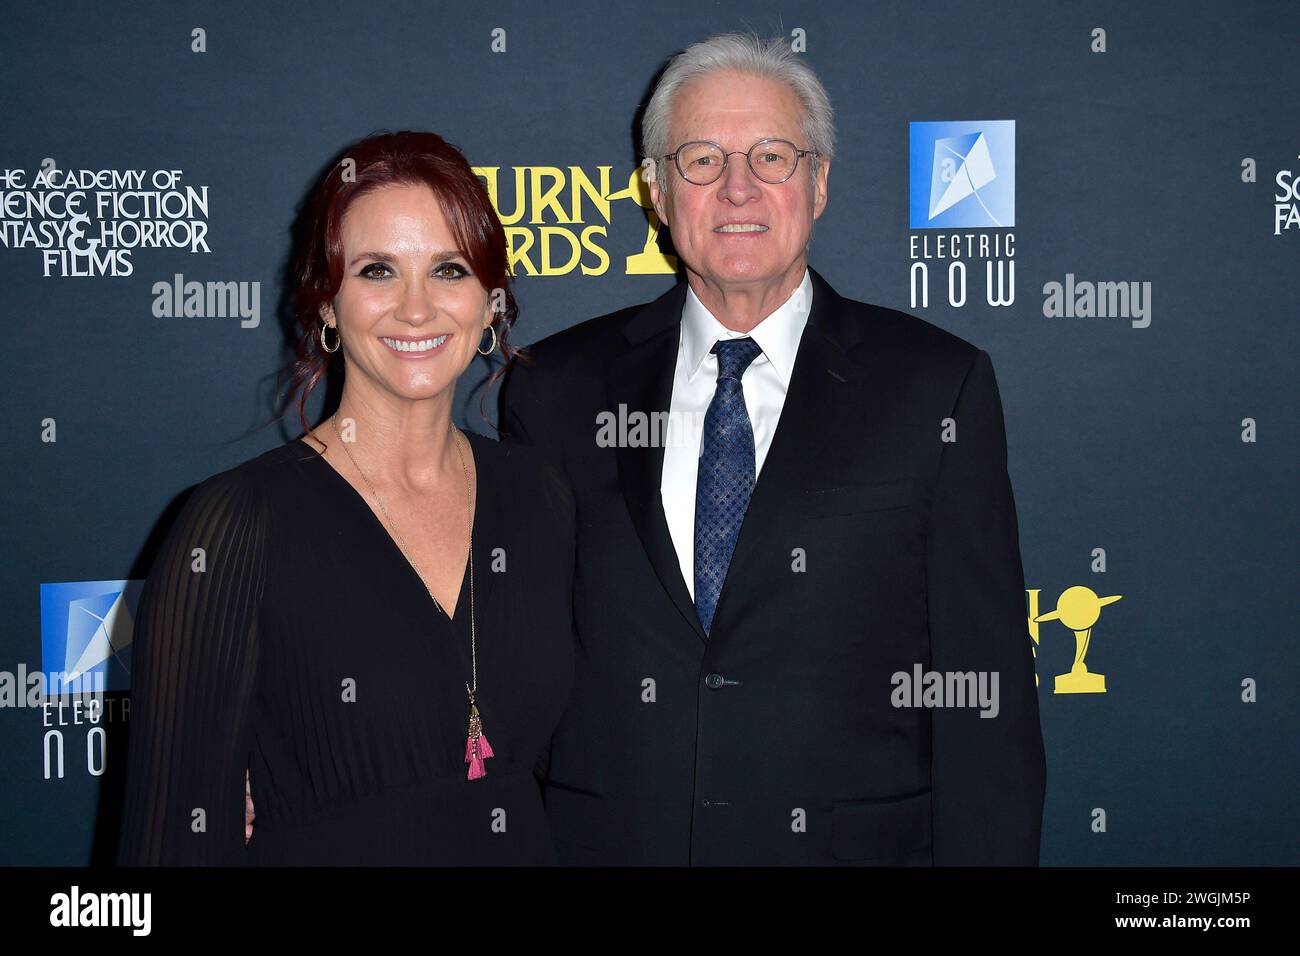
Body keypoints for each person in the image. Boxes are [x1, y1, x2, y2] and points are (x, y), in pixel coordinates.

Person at [499, 33, 1046, 865]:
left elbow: (985, 695)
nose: (739, 187)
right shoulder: (555, 388)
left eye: (772, 156)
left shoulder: (938, 386)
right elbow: (512, 659)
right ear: (655, 190)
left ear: (820, 182)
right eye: (702, 159)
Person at [116, 131, 575, 865]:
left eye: (449, 269)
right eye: (377, 271)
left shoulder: (540, 497)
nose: (416, 308)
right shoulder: (238, 521)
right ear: (327, 303)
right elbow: (168, 848)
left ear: (490, 301)